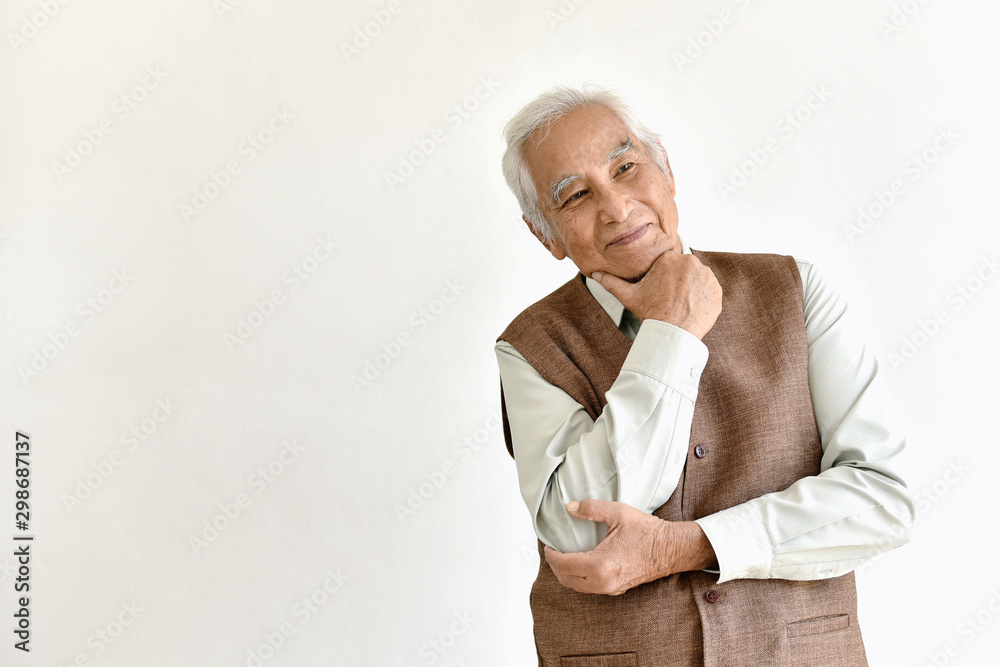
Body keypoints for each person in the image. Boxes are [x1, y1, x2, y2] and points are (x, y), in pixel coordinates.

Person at [494, 84, 915, 666]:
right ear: (546, 235)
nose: (616, 207)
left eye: (626, 167)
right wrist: (672, 335)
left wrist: (691, 546)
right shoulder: (530, 347)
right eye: (576, 197)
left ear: (666, 169)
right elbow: (581, 532)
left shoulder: (796, 291)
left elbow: (882, 500)